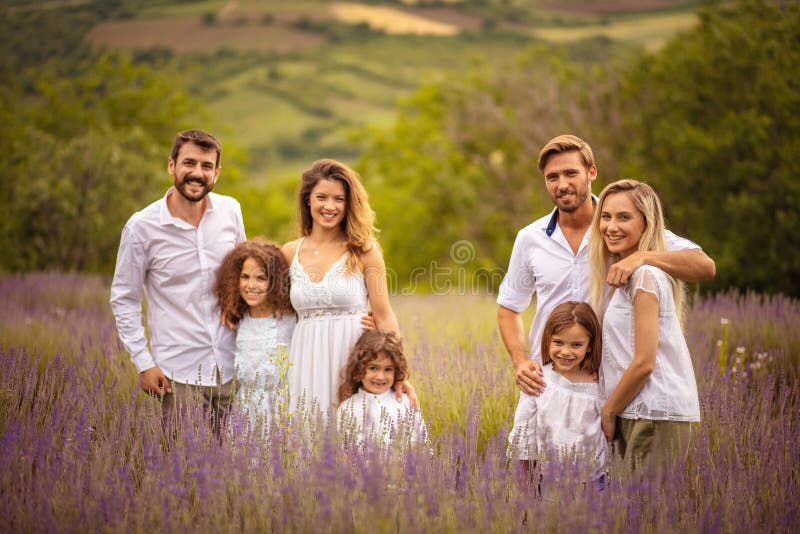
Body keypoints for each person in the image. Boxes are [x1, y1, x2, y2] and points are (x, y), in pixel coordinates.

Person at [497, 134, 715, 397]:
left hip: (607, 384)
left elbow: (704, 266)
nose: (562, 184)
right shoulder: (530, 238)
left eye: (570, 173)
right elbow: (509, 307)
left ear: (591, 172)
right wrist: (520, 362)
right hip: (546, 383)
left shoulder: (619, 228)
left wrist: (642, 257)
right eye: (552, 177)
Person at [110, 129, 245, 435]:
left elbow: (244, 272)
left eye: (207, 166)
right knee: (182, 468)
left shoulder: (230, 211)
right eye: (189, 163)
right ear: (171, 165)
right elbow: (125, 299)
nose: (197, 173)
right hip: (177, 374)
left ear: (217, 172)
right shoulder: (141, 227)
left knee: (233, 467)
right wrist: (144, 363)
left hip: (233, 367)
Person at [282, 159, 413, 420]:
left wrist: (399, 374)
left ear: (349, 204)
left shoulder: (365, 250)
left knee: (352, 438)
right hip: (304, 356)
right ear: (308, 200)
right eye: (321, 197)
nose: (329, 206)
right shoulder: (288, 253)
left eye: (339, 199)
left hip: (351, 355)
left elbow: (384, 315)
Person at [588, 179, 701, 473]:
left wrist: (609, 410)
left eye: (624, 217)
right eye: (606, 216)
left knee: (641, 514)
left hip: (651, 413)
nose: (611, 226)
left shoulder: (646, 274)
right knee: (633, 515)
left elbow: (644, 363)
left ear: (646, 224)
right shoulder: (627, 274)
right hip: (637, 409)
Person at [507, 301, 607, 485]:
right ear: (548, 340)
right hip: (550, 481)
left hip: (595, 482)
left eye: (576, 345)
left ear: (590, 346)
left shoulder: (600, 385)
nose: (566, 352)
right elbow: (524, 439)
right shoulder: (538, 380)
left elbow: (609, 434)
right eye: (558, 342)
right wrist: (525, 494)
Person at [213, 239, 295, 436]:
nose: (251, 285)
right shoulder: (238, 319)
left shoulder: (290, 320)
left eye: (261, 278)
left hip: (280, 412)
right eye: (245, 277)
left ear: (275, 281)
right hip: (245, 412)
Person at [336, 329, 427, 450]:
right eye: (373, 368)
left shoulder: (405, 402)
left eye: (388, 369)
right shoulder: (348, 408)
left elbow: (422, 442)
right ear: (359, 368)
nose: (380, 377)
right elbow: (343, 451)